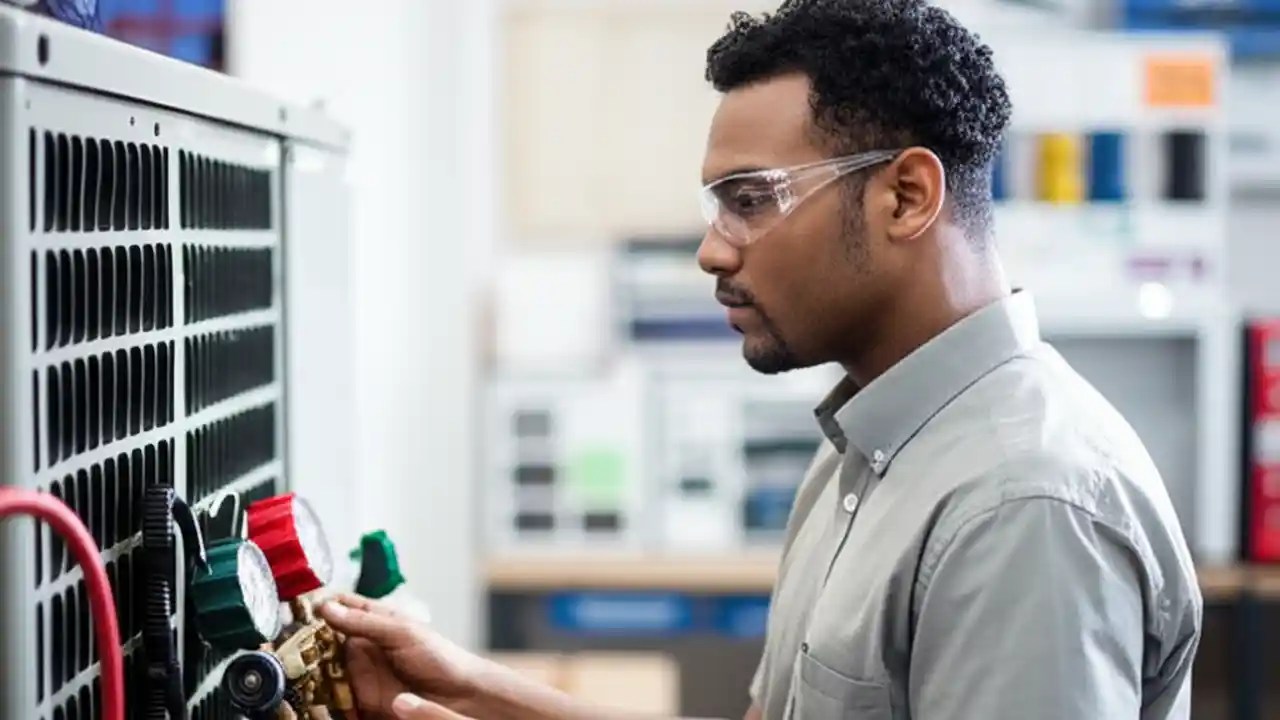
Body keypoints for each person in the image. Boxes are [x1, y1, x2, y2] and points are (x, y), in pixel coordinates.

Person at [320, 0, 1203, 718]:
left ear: (907, 196)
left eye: (750, 200)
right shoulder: (866, 448)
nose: (711, 250)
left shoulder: (1022, 505)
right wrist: (463, 687)